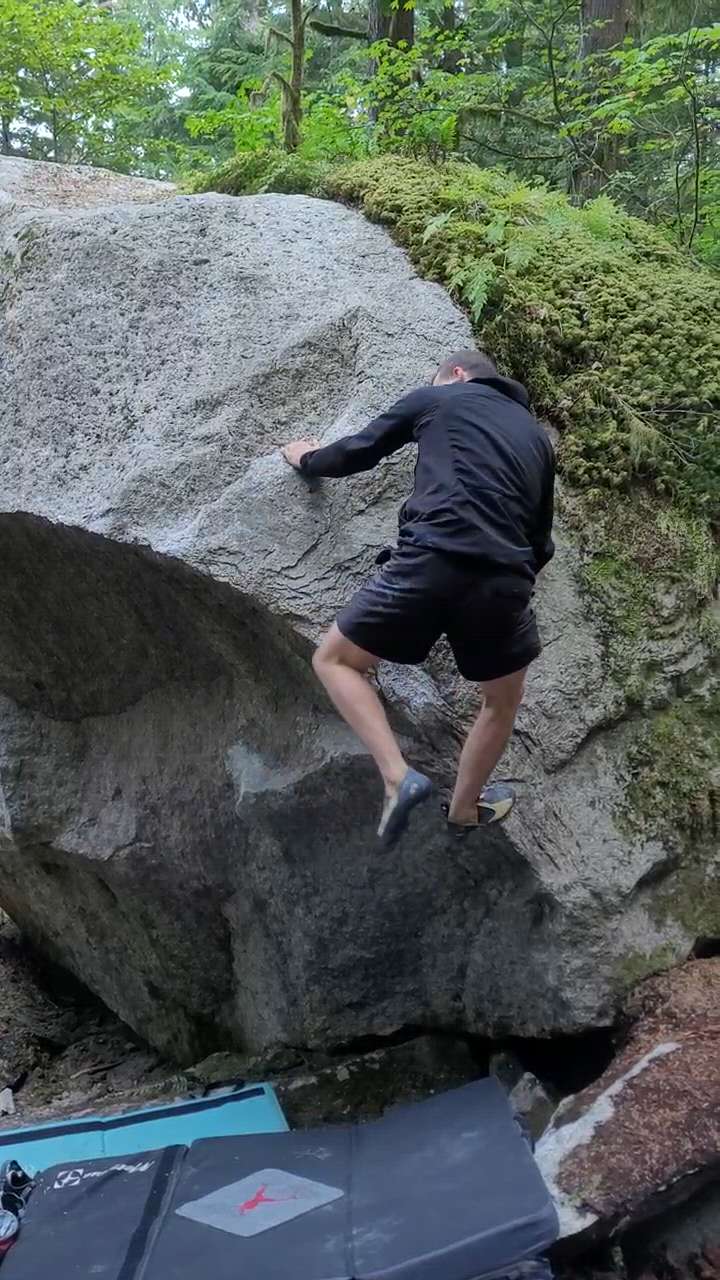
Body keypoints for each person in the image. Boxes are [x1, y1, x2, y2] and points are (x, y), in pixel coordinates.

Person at [282, 349, 555, 847]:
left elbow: (359, 451)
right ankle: (464, 810)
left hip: (434, 557)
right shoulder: (537, 439)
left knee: (335, 661)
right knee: (501, 702)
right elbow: (542, 542)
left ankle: (397, 777)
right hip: (505, 580)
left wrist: (305, 457)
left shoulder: (438, 399)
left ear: (456, 374)